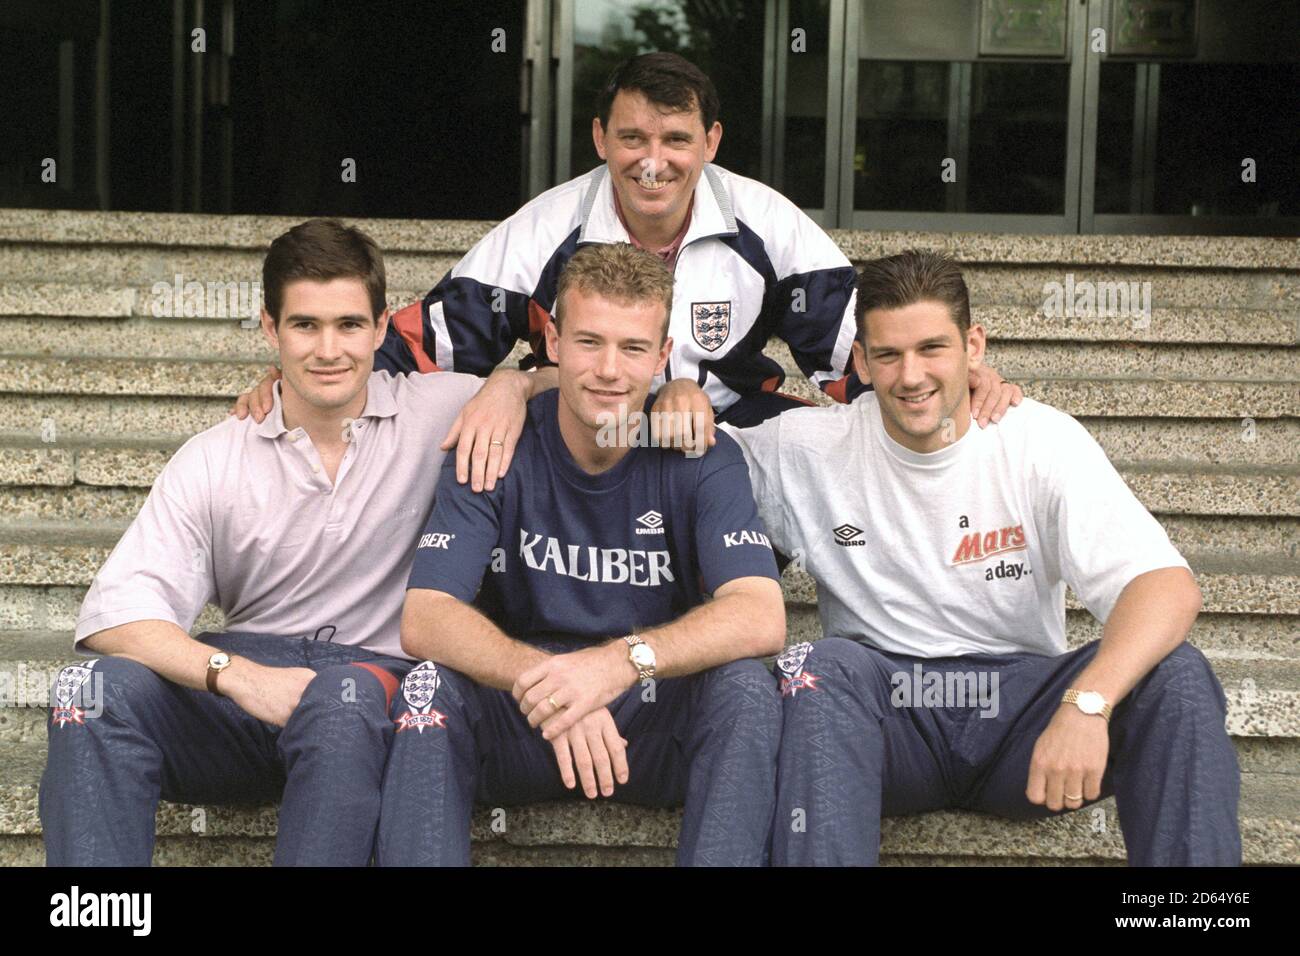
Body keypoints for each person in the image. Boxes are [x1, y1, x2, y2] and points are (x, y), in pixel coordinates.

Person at [39, 219, 550, 866]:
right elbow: (120, 616)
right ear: (269, 329)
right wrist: (234, 676)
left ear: (383, 327)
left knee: (344, 697)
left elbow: (589, 389)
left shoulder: (441, 408)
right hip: (251, 689)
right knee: (90, 691)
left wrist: (515, 383)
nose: (329, 349)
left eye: (349, 325)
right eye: (305, 326)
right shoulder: (216, 456)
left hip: (378, 688)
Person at [723, 250, 1241, 866]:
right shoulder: (806, 447)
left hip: (1022, 718)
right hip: (889, 717)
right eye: (888, 355)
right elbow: (668, 458)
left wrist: (1088, 703)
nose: (911, 375)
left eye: (932, 349)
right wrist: (675, 398)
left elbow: (1165, 586)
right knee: (823, 668)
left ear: (974, 346)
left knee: (1177, 675)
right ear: (860, 359)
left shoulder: (1037, 439)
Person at [232, 52, 1020, 436]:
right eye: (633, 135)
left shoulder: (767, 221)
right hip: (586, 428)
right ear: (601, 136)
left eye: (676, 138)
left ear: (710, 141)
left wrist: (962, 383)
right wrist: (300, 381)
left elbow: (860, 351)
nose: (654, 159)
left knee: (812, 431)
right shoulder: (548, 227)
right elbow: (426, 342)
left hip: (725, 438)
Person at [375, 243, 786, 866]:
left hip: (646, 705)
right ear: (556, 344)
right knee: (427, 688)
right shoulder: (496, 439)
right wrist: (558, 688)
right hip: (523, 704)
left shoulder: (703, 455)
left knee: (747, 692)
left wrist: (617, 666)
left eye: (633, 348)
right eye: (590, 343)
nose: (611, 370)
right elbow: (426, 616)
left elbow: (761, 615)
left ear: (663, 357)